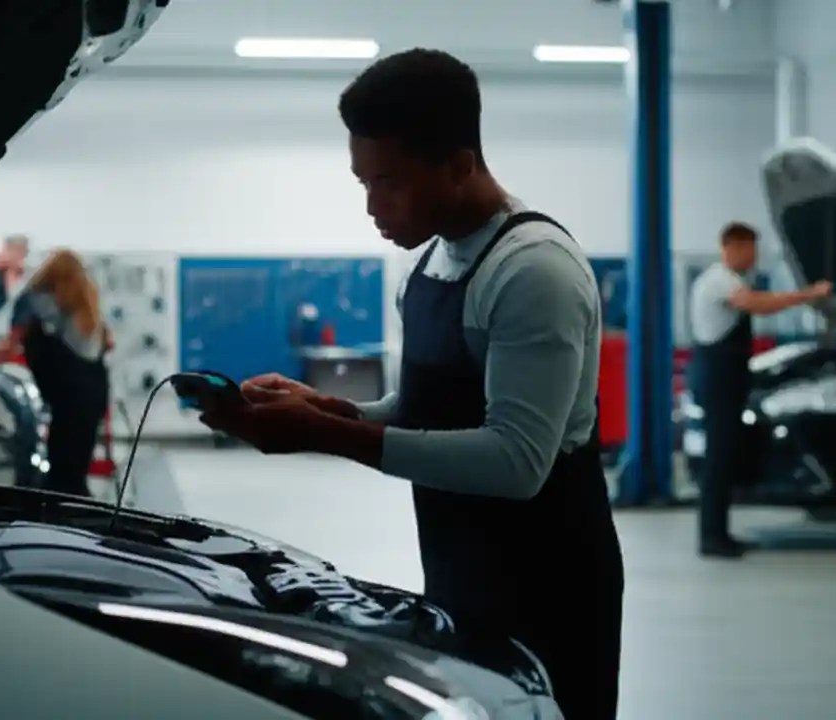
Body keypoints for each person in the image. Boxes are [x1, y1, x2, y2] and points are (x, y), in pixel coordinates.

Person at [199, 48, 624, 719]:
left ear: (459, 166)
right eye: (362, 182)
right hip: (462, 568)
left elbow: (517, 461)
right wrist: (330, 408)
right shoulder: (430, 263)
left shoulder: (532, 271)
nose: (372, 205)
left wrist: (324, 435)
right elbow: (425, 409)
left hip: (548, 582)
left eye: (389, 183)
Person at [688, 221, 831, 559]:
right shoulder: (720, 281)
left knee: (724, 459)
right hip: (717, 380)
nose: (755, 256)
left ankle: (719, 532)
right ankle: (711, 537)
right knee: (718, 461)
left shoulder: (731, 279)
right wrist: (808, 294)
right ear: (733, 247)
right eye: (751, 249)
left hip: (726, 380)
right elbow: (759, 304)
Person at [0, 248, 112, 497]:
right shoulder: (86, 305)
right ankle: (80, 521)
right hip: (95, 393)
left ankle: (57, 524)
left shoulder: (34, 300)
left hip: (67, 399)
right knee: (75, 471)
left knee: (59, 471)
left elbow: (9, 348)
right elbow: (108, 344)